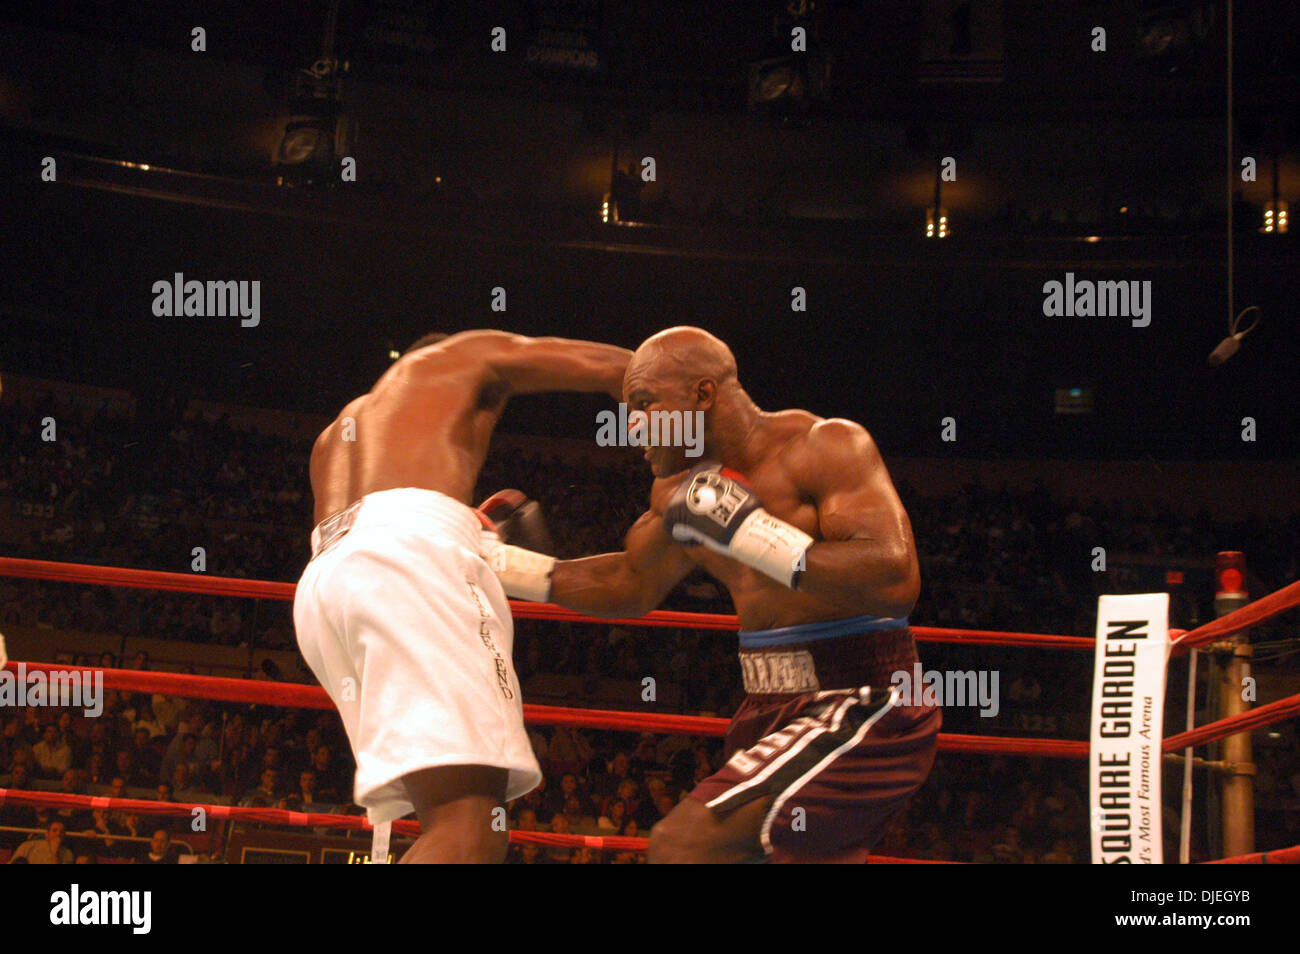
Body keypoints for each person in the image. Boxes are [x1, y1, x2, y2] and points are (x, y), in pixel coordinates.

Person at [530, 326, 940, 862]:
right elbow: (630, 583)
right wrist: (495, 566)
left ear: (703, 394)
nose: (631, 427)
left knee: (683, 845)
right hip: (766, 704)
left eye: (645, 404)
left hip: (865, 698)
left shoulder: (825, 445)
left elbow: (893, 577)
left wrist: (753, 536)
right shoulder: (679, 489)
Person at [294, 329, 630, 863]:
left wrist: (469, 535)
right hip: (408, 564)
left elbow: (384, 523)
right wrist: (682, 409)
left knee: (467, 823)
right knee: (470, 825)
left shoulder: (338, 433)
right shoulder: (458, 357)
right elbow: (617, 366)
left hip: (327, 584)